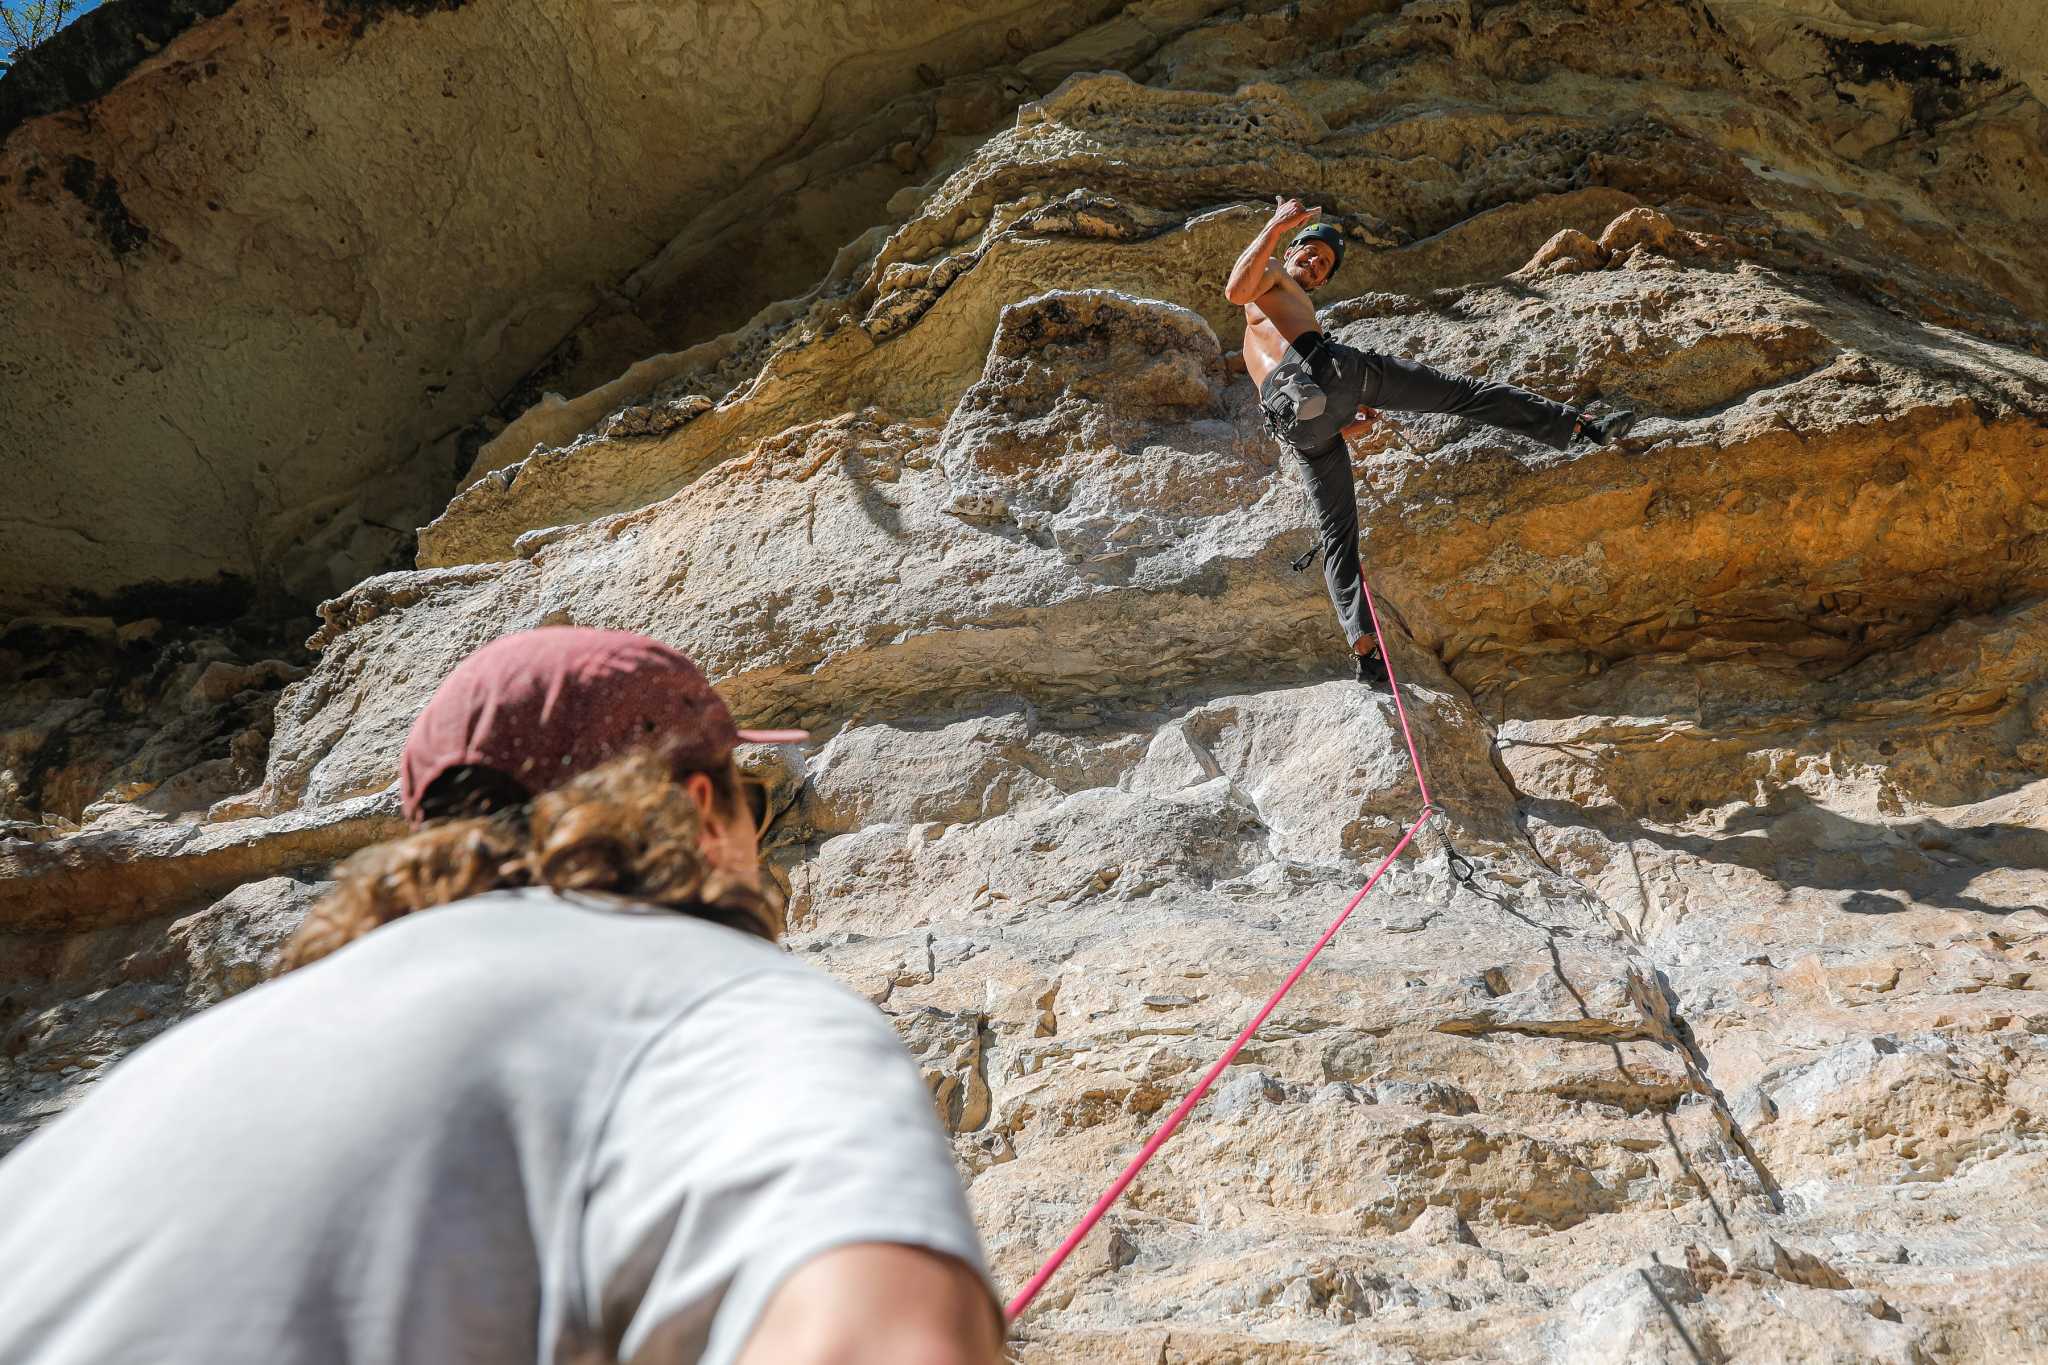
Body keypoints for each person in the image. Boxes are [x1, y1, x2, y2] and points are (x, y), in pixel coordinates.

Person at [0, 627, 1005, 1365]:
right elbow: (880, 1342)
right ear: (701, 811)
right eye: (757, 803)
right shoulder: (708, 1003)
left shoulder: (166, 1077)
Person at [1227, 197, 1635, 687]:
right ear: (1292, 250)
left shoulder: (1265, 326)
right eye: (1311, 253)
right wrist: (1275, 225)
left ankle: (1365, 650)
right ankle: (1579, 427)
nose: (1315, 265)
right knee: (1464, 395)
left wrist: (1342, 421)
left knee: (1338, 536)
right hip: (1325, 373)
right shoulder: (1270, 273)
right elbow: (1234, 289)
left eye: (1324, 265)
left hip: (1300, 421)